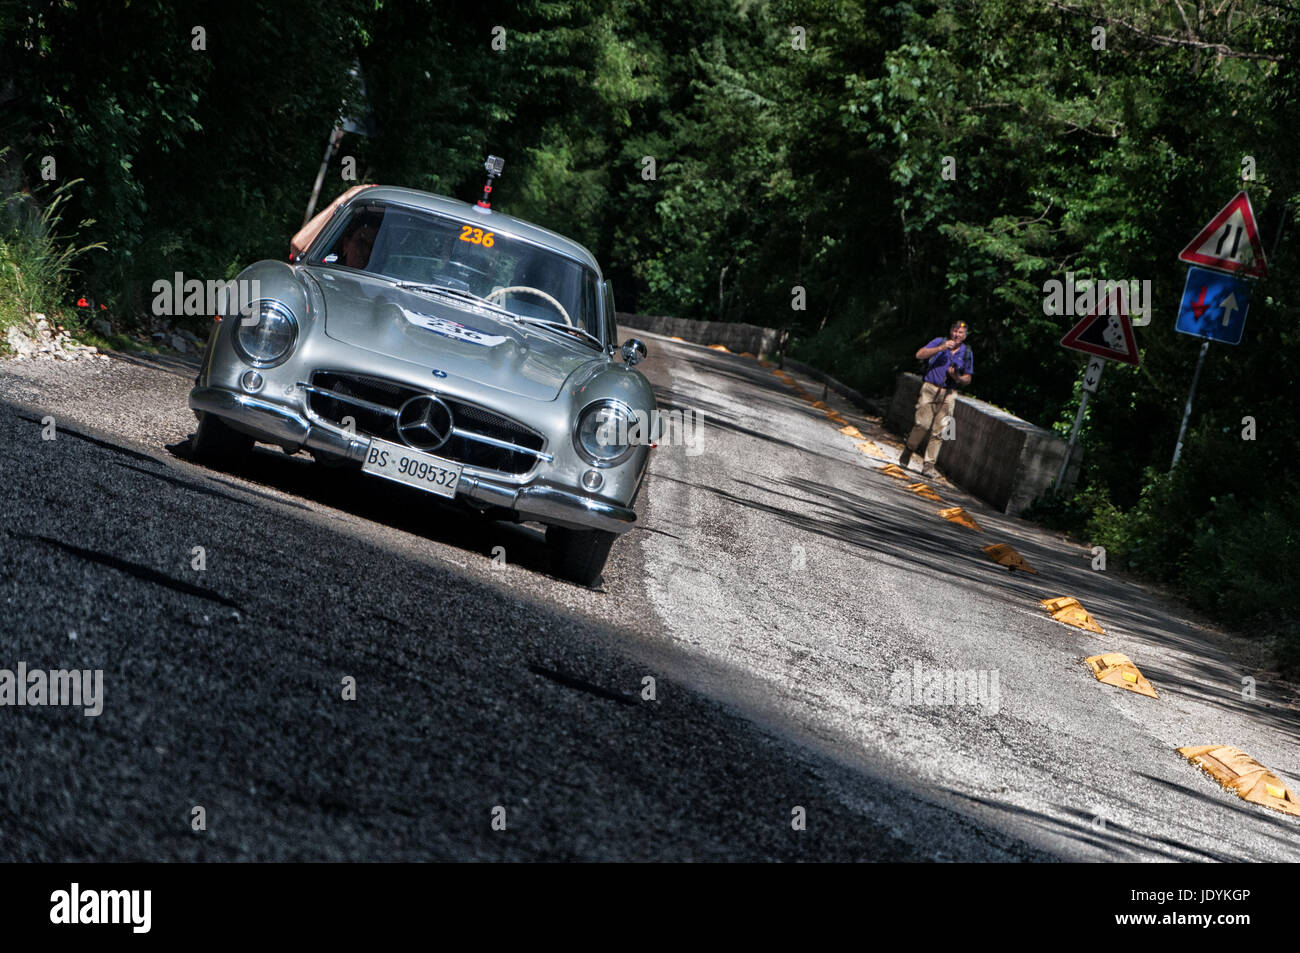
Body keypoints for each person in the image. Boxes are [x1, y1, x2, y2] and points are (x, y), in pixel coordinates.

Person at [899, 320, 973, 479]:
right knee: (922, 425)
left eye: (960, 333)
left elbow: (968, 377)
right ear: (950, 331)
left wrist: (958, 378)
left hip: (949, 394)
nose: (957, 335)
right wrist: (940, 348)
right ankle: (909, 448)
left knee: (939, 431)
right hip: (930, 389)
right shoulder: (939, 342)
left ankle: (928, 465)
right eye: (954, 331)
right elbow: (919, 354)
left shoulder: (967, 353)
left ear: (965, 336)